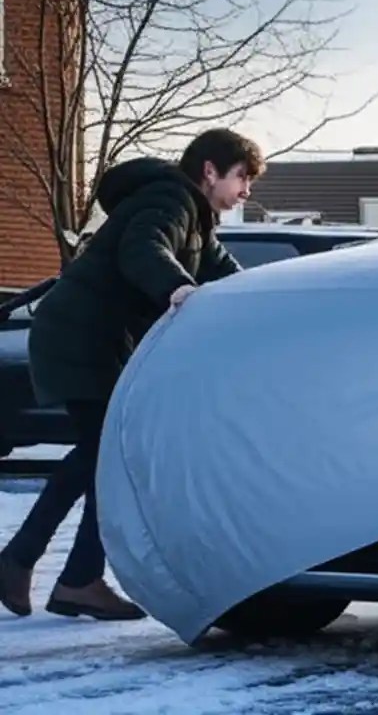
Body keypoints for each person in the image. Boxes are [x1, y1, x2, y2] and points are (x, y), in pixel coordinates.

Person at [0, 128, 264, 620]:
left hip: (97, 340)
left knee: (109, 457)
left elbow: (229, 276)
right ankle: (29, 561)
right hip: (80, 336)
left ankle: (74, 578)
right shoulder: (170, 198)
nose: (246, 191)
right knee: (106, 452)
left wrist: (271, 298)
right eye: (242, 178)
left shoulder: (198, 221)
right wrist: (177, 288)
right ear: (210, 171)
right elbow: (144, 249)